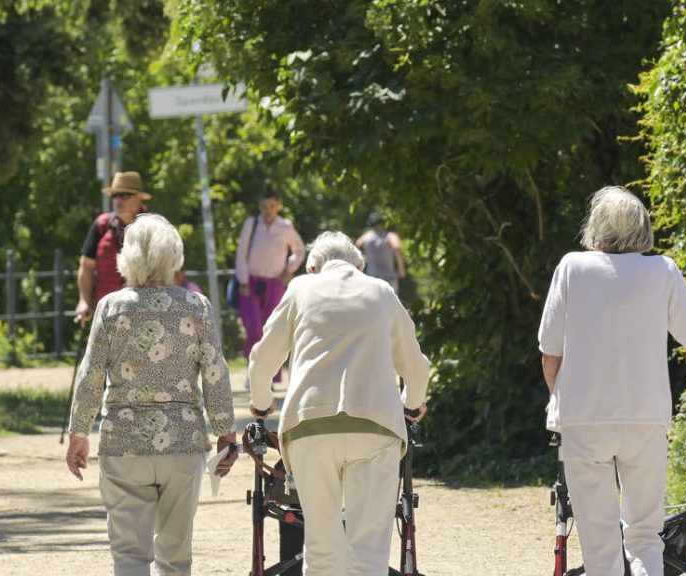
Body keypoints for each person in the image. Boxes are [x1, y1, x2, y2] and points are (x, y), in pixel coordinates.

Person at [538, 186, 686, 576]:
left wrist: (558, 399)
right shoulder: (662, 270)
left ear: (595, 227)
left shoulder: (571, 267)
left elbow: (550, 354)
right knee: (644, 534)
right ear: (643, 229)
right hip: (645, 418)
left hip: (583, 421)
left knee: (599, 537)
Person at [248, 231, 430, 576]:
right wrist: (412, 403)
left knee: (321, 546)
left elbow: (262, 360)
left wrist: (261, 403)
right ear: (361, 266)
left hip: (310, 426)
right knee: (369, 548)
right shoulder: (381, 291)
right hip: (375, 427)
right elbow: (415, 365)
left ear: (312, 267)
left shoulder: (301, 288)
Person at [65, 213, 238, 576]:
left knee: (129, 555)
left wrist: (79, 432)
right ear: (174, 257)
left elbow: (91, 374)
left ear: (127, 258)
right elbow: (215, 373)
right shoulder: (196, 306)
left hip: (124, 444)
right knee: (176, 556)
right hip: (182, 443)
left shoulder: (111, 307)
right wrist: (226, 432)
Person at [234, 186, 305, 379]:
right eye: (265, 206)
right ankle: (254, 372)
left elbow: (299, 250)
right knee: (253, 328)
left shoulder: (285, 227)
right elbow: (241, 252)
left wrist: (289, 269)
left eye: (272, 206)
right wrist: (242, 279)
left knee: (272, 329)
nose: (268, 210)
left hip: (275, 283)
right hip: (251, 281)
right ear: (259, 207)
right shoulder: (251, 223)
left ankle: (271, 375)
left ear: (278, 206)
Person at [75, 171, 150, 326]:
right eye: (115, 196)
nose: (118, 201)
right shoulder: (102, 226)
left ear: (139, 198)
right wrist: (84, 300)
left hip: (145, 314)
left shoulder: (154, 227)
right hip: (108, 314)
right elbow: (86, 266)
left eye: (124, 196)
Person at [355, 211, 406, 292]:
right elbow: (397, 248)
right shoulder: (390, 236)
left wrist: (368, 259)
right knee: (390, 303)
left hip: (372, 279)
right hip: (389, 279)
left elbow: (355, 251)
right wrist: (401, 269)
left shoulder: (364, 238)